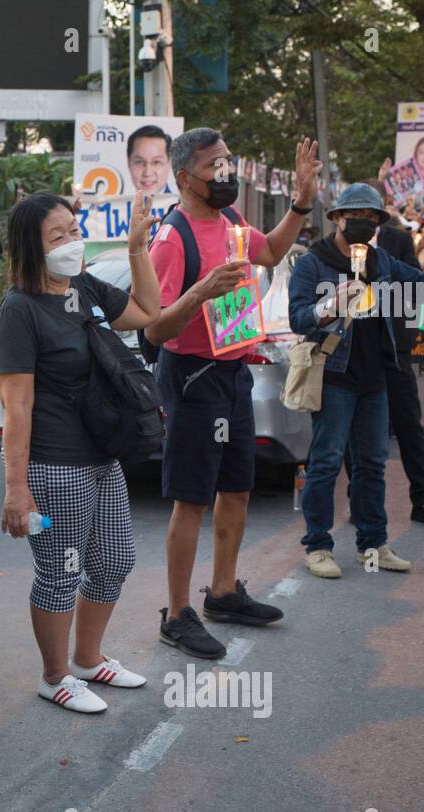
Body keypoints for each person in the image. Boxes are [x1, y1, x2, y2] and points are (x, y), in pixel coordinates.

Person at [141, 128, 321, 658]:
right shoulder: (172, 238)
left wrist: (301, 203)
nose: (226, 174)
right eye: (214, 166)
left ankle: (223, 591)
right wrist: (200, 292)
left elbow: (273, 252)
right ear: (184, 179)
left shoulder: (233, 223)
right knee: (191, 499)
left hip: (235, 370)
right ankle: (176, 615)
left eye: (228, 162)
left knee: (237, 488)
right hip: (192, 375)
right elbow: (153, 329)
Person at [0, 191, 161, 712]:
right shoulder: (19, 311)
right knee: (61, 571)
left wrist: (137, 249)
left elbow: (148, 313)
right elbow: (16, 407)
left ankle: (88, 660)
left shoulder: (84, 288)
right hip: (53, 466)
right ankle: (55, 676)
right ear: (31, 248)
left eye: (73, 229)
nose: (72, 242)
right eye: (57, 236)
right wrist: (16, 491)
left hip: (104, 456)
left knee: (114, 560)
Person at [288, 184, 424, 578]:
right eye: (356, 216)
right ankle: (317, 545)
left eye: (371, 219)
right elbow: (298, 318)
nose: (363, 225)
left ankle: (374, 543)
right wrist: (330, 304)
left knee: (372, 464)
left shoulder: (381, 261)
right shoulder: (312, 263)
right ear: (336, 218)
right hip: (334, 376)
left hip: (376, 378)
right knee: (326, 462)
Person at [371, 195, 424, 530]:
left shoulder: (398, 241)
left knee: (409, 425)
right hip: (353, 354)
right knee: (357, 432)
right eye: (354, 212)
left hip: (395, 347)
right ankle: (359, 501)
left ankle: (423, 500)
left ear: (381, 214)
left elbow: (416, 284)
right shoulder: (334, 248)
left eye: (369, 211)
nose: (362, 217)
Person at [127, 124, 173, 196]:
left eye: (156, 162)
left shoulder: (181, 205)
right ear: (128, 162)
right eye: (139, 162)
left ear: (169, 163)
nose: (147, 173)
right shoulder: (113, 205)